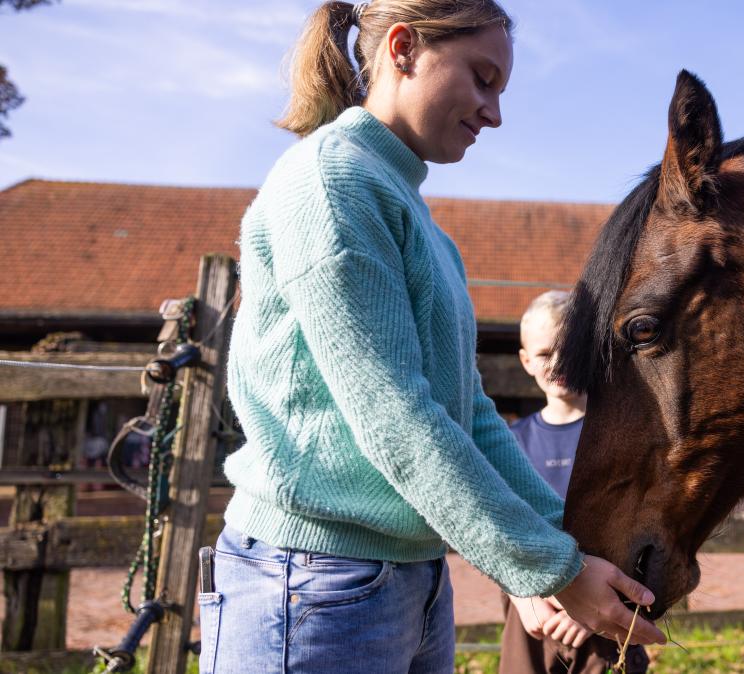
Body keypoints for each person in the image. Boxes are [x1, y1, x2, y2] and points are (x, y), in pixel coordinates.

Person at [198, 2, 664, 672]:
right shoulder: (332, 185)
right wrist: (554, 570)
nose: (493, 112)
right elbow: (395, 419)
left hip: (413, 581)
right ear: (403, 48)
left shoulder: (418, 217)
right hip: (316, 583)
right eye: (481, 78)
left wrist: (564, 544)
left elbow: (468, 415)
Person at [499, 291, 651, 674]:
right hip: (531, 619)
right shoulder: (508, 444)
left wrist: (588, 610)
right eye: (545, 353)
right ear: (526, 360)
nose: (558, 362)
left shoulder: (624, 437)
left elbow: (642, 529)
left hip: (604, 624)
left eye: (569, 349)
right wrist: (522, 597)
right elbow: (497, 529)